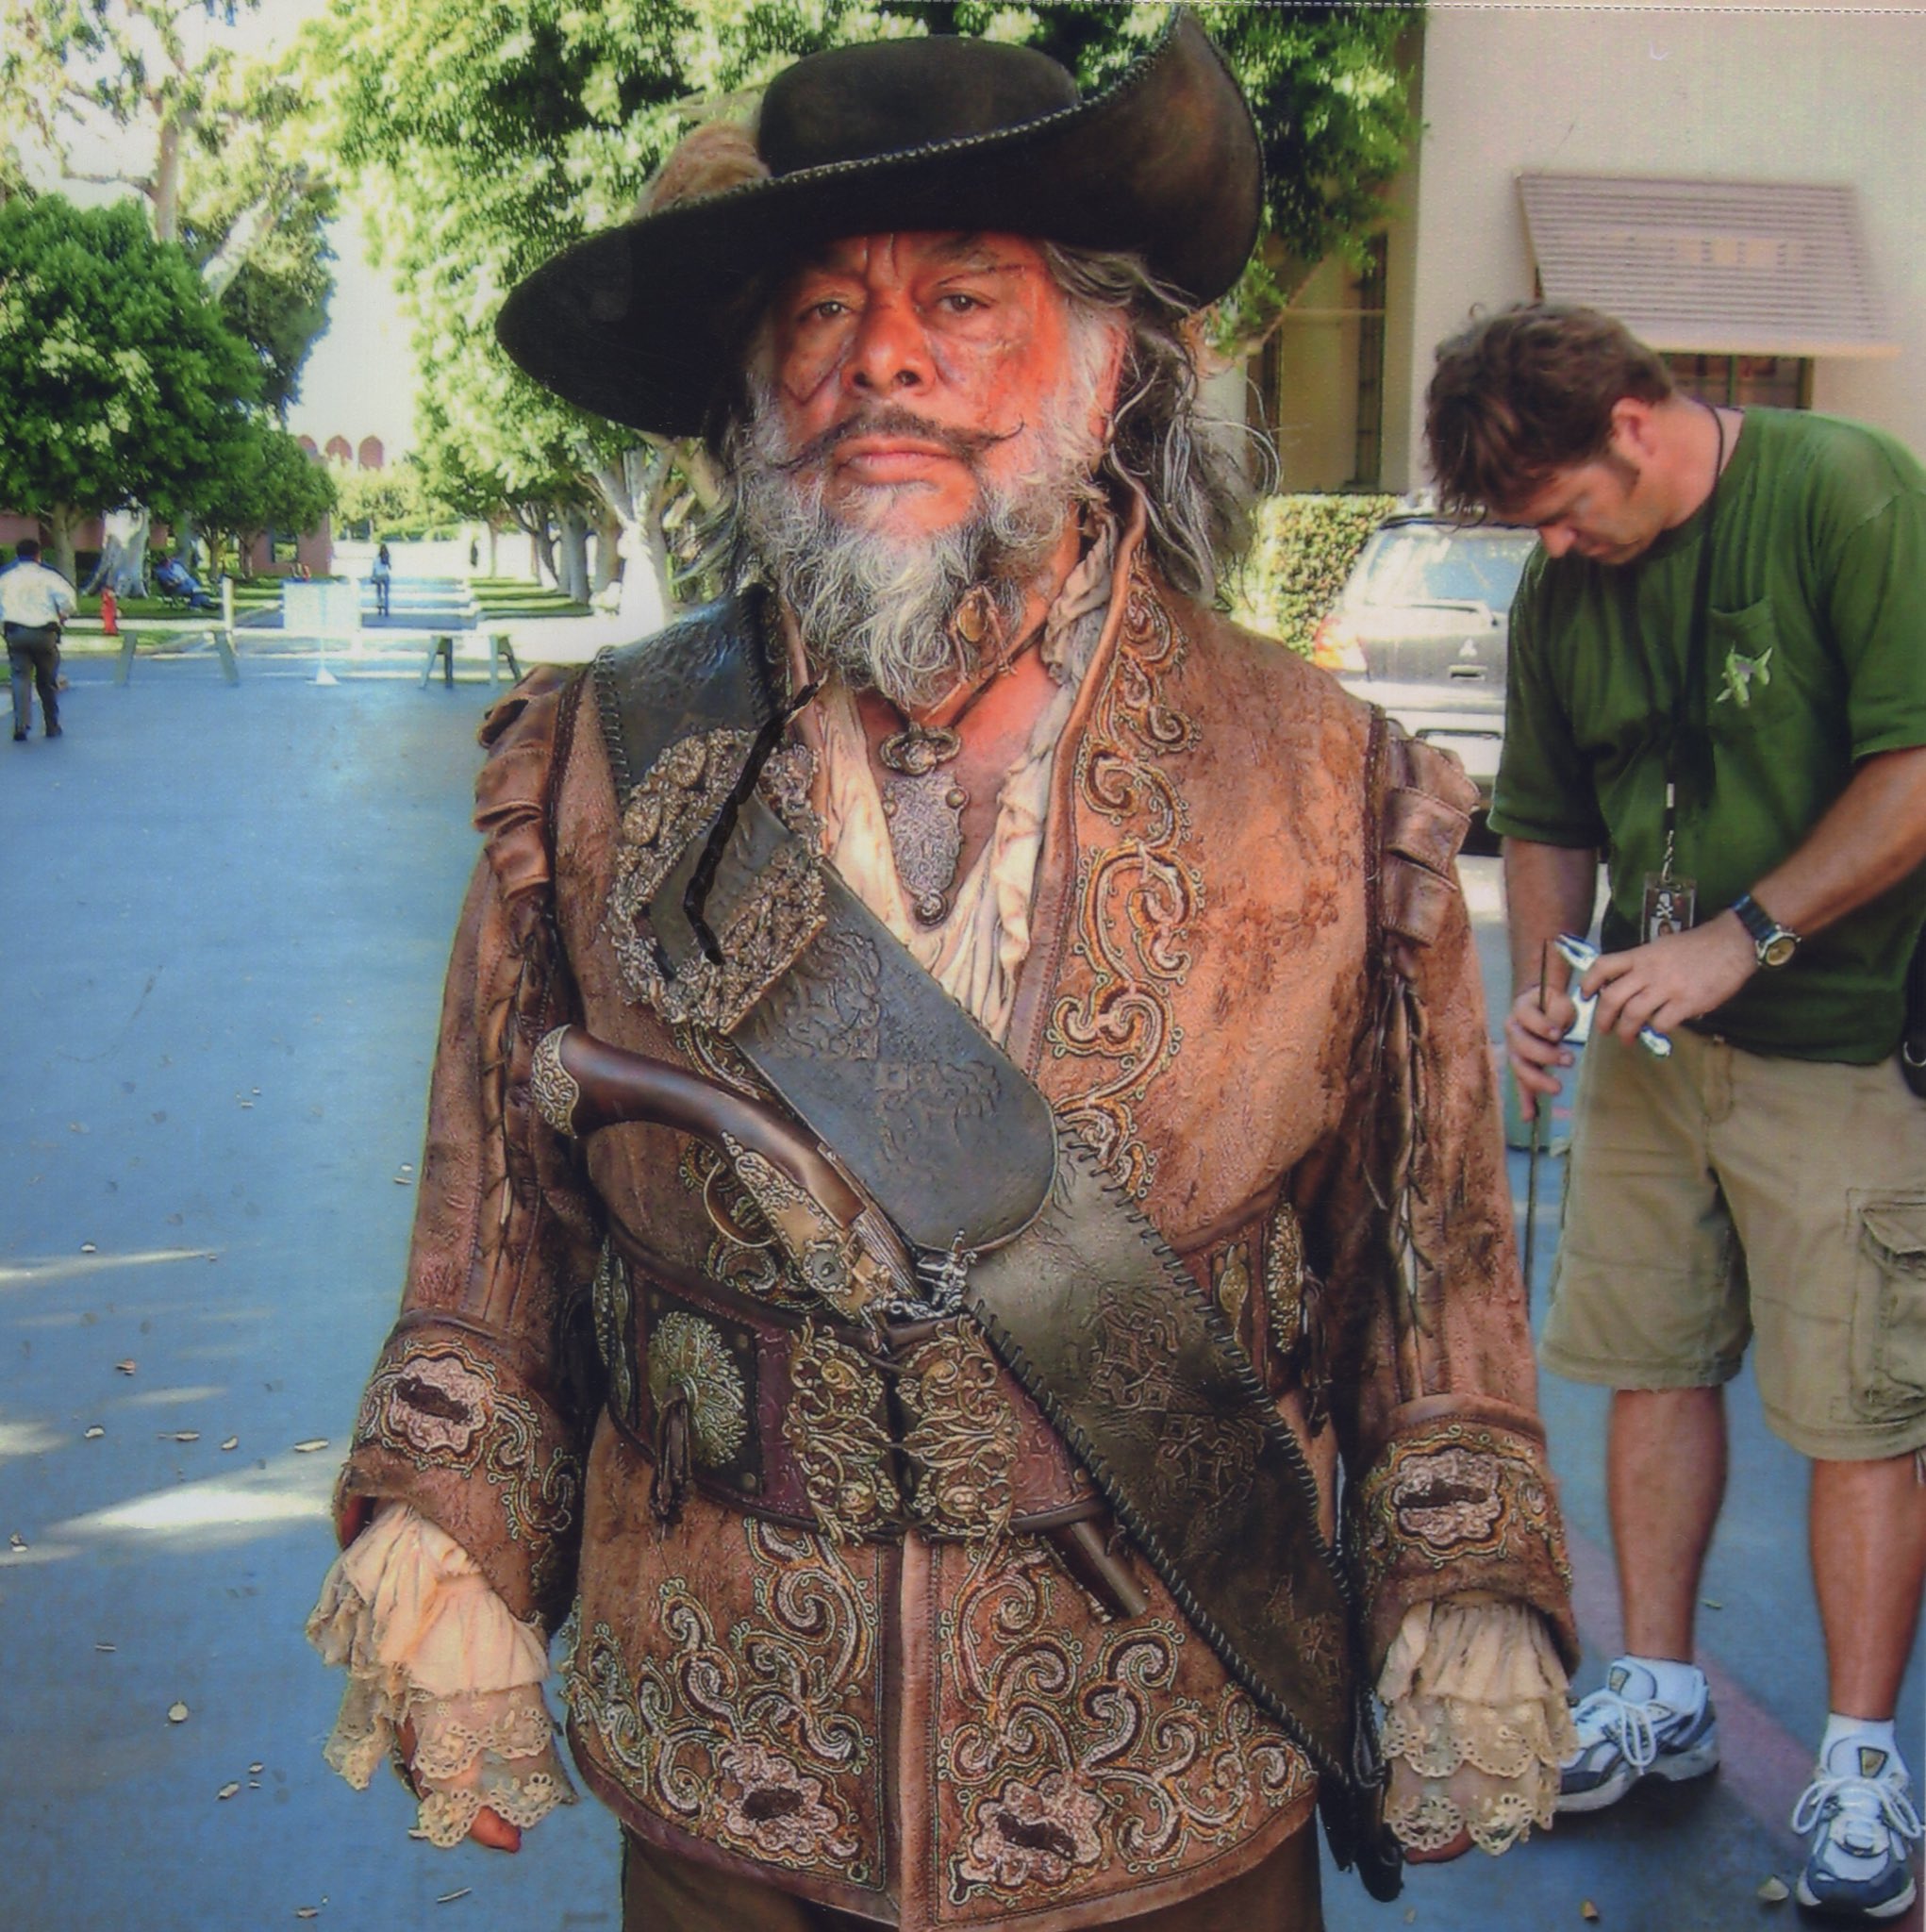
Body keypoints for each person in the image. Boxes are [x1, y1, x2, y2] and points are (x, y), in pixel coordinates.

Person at [308, 20, 1577, 1931]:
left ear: (1108, 359)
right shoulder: (588, 766)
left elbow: (1433, 1256)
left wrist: (1465, 1580)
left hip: (1167, 1761)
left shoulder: (1324, 781)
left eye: (960, 300)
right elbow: (497, 1221)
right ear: (748, 387)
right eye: (819, 311)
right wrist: (445, 1528)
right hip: (730, 1753)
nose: (881, 360)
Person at [1425, 301, 1926, 1922]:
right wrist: (1550, 975)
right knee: (1646, 1361)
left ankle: (1858, 1755)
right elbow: (1545, 807)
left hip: (1842, 1037)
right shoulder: (1560, 584)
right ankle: (1658, 1693)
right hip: (1647, 1043)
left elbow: (1915, 768)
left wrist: (1745, 934)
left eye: (1566, 507)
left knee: (1854, 1407)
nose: (1555, 548)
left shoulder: (1840, 488)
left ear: (1635, 424)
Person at [2, 537, 76, 741]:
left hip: (15, 633)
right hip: (45, 633)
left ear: (17, 555)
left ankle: (21, 724)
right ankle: (51, 724)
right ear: (38, 555)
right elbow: (68, 602)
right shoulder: (50, 577)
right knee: (46, 680)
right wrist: (62, 615)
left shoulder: (7, 578)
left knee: (19, 678)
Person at [372, 541, 393, 618]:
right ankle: (386, 610)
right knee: (386, 594)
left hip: (378, 576)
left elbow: (374, 569)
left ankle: (380, 609)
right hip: (385, 576)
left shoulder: (376, 558)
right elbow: (390, 568)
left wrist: (372, 577)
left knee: (379, 593)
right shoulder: (387, 557)